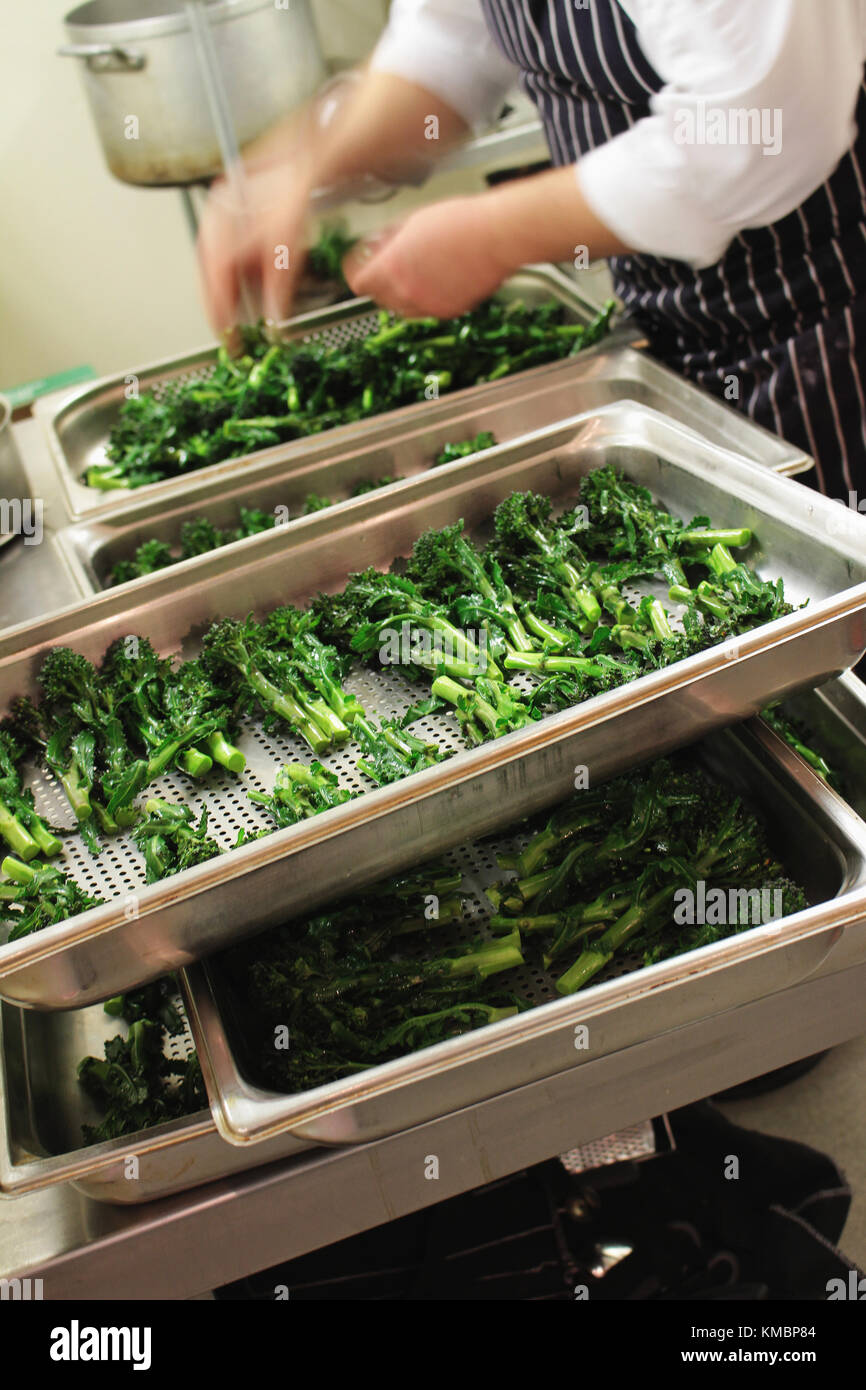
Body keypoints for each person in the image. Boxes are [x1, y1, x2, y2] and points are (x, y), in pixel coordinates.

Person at [198, 0, 866, 500]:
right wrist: (304, 167)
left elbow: (764, 128)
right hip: (676, 320)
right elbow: (449, 41)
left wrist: (493, 236)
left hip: (833, 318)